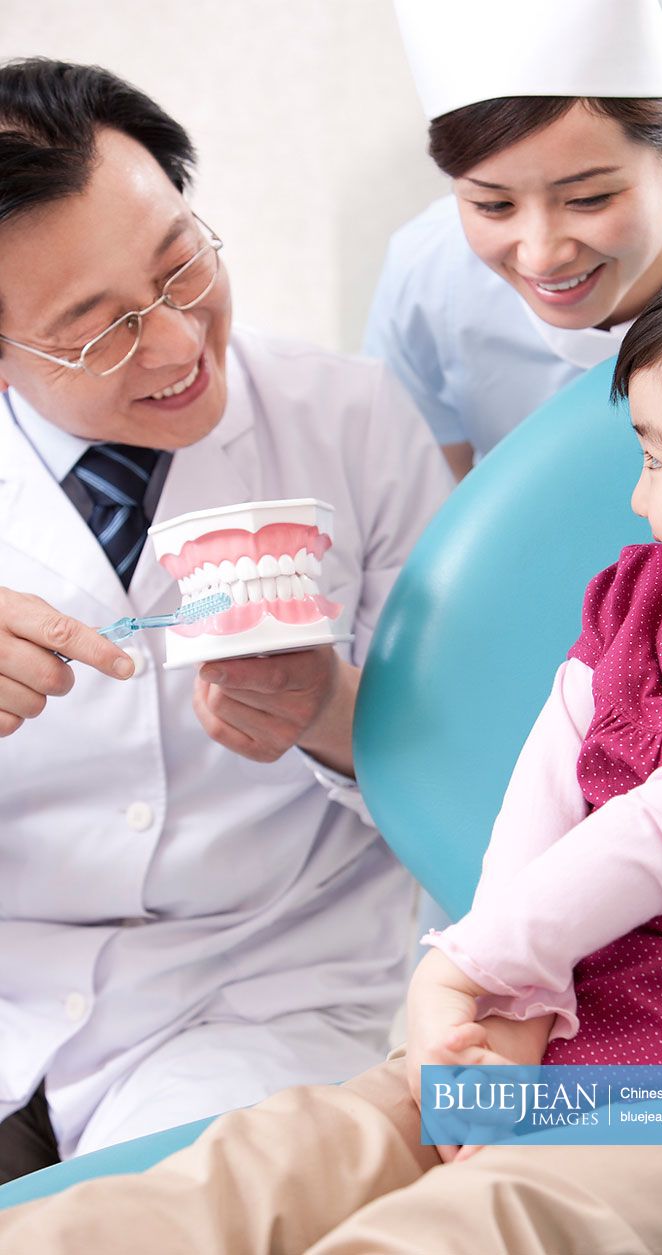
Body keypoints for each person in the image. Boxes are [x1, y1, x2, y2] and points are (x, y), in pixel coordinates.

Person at [0, 233, 662, 1254]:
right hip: (560, 1020)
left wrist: (463, 971)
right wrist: (497, 1008)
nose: (634, 496)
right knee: (280, 1160)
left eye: (656, 460)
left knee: (483, 1224)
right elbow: (544, 798)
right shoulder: (634, 600)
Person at [0, 57, 453, 1176]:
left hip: (259, 985)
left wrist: (327, 707)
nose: (174, 344)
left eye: (180, 265)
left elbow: (476, 779)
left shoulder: (349, 423)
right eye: (97, 330)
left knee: (169, 1220)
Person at [365, 0, 662, 480]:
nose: (543, 256)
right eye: (494, 206)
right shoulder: (427, 279)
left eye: (588, 199)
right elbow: (424, 515)